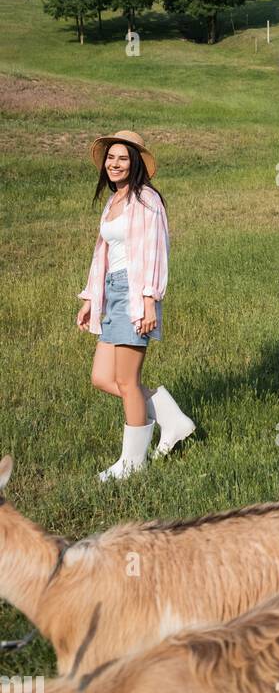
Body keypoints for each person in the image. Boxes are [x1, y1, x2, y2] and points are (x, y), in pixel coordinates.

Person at [76, 130, 195, 481]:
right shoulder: (113, 201)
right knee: (101, 377)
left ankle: (132, 461)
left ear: (135, 163)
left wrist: (148, 299)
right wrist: (89, 297)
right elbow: (103, 253)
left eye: (122, 158)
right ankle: (170, 418)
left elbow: (156, 251)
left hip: (134, 292)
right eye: (111, 158)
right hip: (111, 292)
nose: (114, 164)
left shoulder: (146, 200)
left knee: (128, 381)